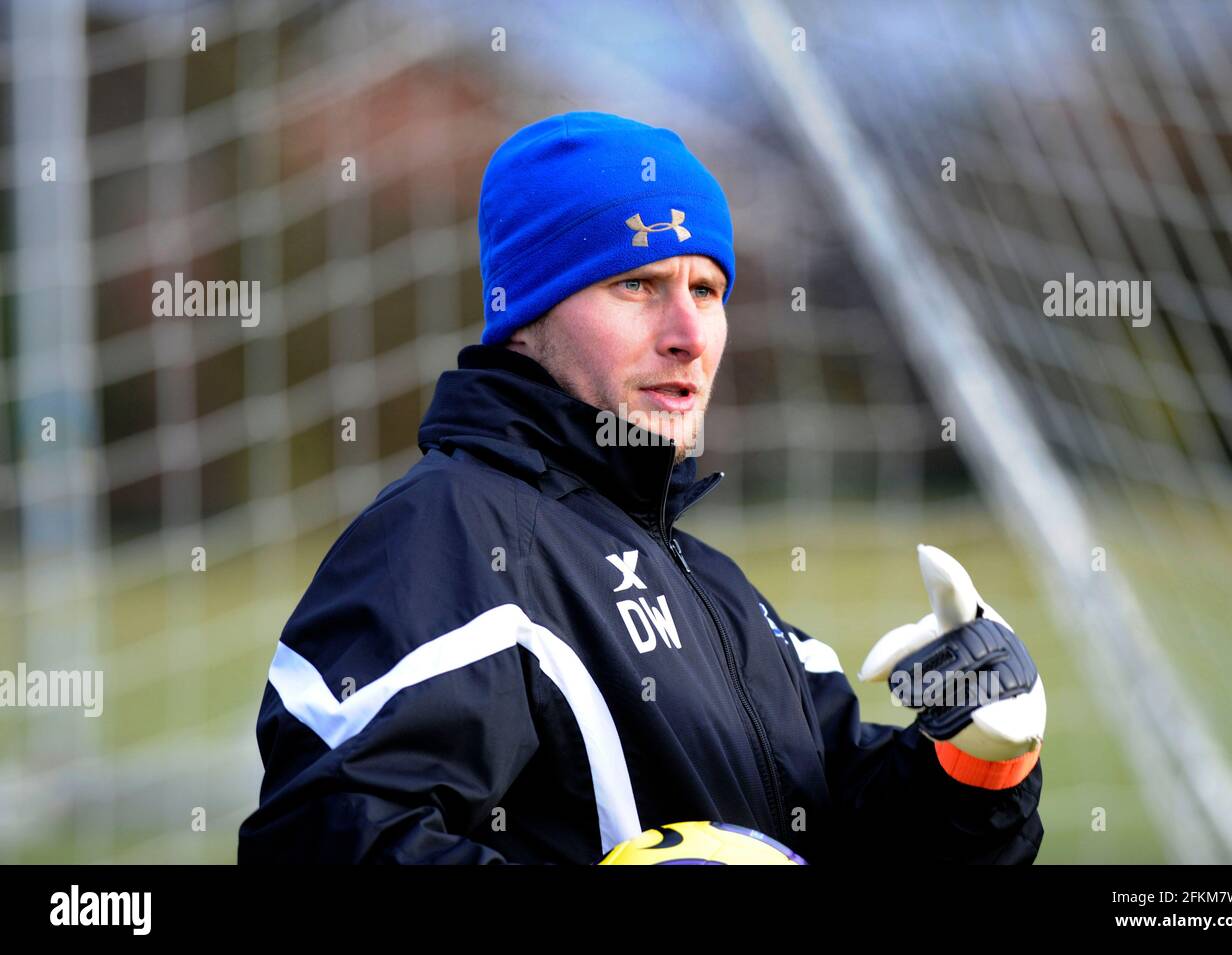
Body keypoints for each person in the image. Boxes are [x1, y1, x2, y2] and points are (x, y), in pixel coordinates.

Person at [238, 111, 1045, 864]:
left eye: (705, 290)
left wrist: (974, 757)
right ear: (526, 316)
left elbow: (848, 831)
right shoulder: (449, 534)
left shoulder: (726, 596)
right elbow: (323, 832)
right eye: (636, 284)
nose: (689, 335)